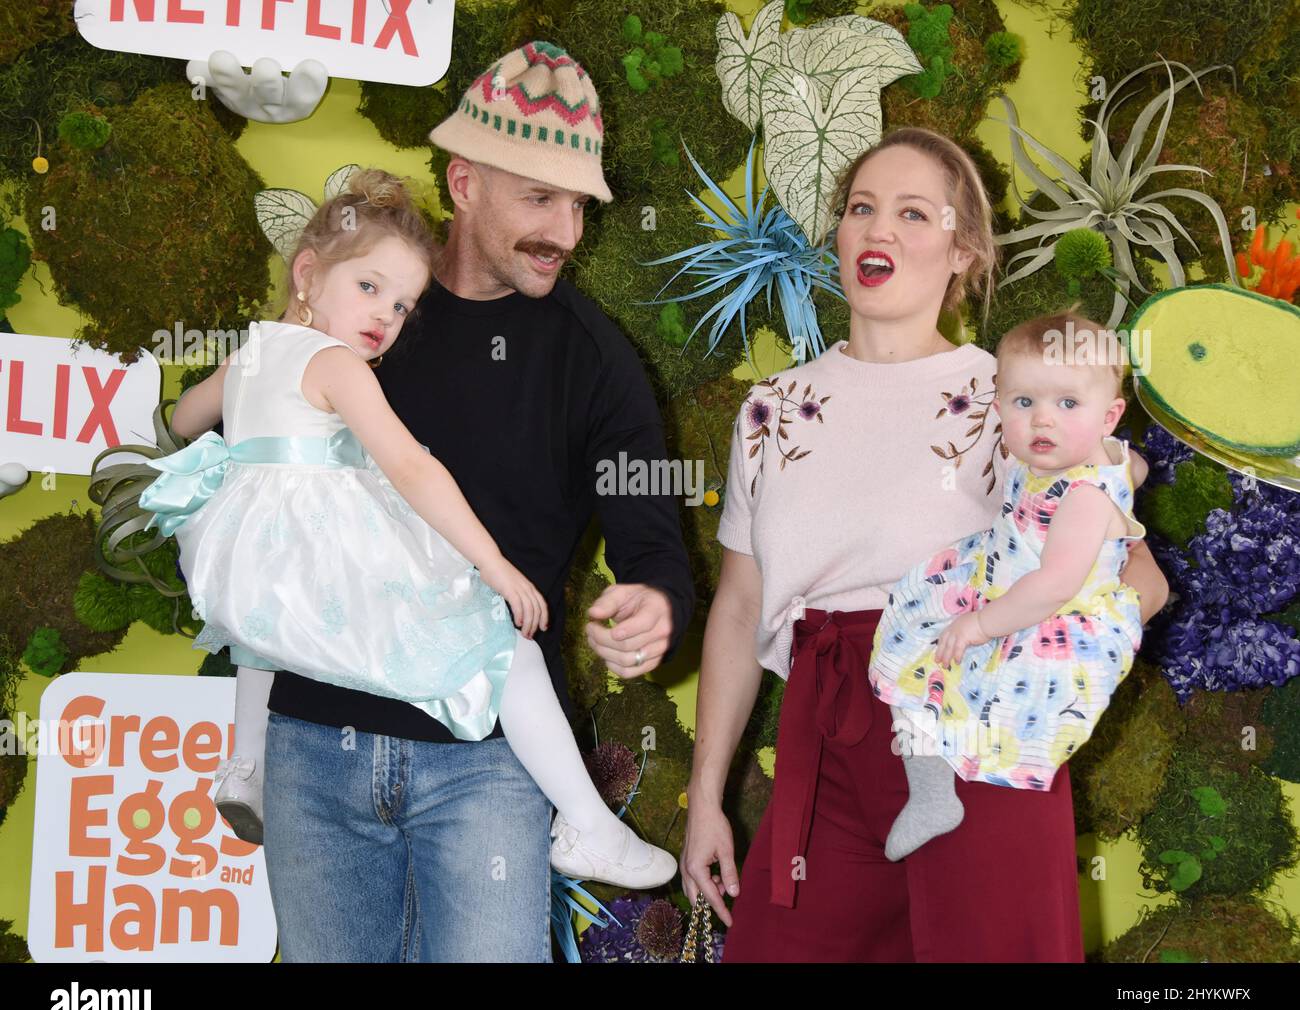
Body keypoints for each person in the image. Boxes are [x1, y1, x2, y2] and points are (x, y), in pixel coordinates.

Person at [682, 127, 1169, 963]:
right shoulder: (770, 407)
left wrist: (1041, 658)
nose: (879, 230)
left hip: (976, 724)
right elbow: (737, 609)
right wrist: (703, 798)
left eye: (913, 212)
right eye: (861, 208)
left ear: (963, 250)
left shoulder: (1012, 396)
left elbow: (1138, 579)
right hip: (828, 725)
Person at [258, 42, 694, 962]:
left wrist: (653, 605)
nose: (565, 232)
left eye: (578, 205)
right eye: (540, 198)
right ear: (463, 183)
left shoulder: (596, 360)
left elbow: (652, 545)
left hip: (492, 758)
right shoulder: (359, 315)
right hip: (312, 742)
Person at [141, 166, 677, 893]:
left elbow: (179, 422)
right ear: (308, 272)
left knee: (259, 627)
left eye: (401, 306)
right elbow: (412, 470)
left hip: (245, 558)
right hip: (322, 636)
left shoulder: (259, 350)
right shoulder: (341, 366)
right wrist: (495, 564)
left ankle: (245, 761)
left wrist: (253, 448)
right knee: (503, 644)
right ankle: (585, 820)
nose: (384, 320)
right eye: (369, 290)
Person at [868, 309, 1149, 861]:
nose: (1043, 421)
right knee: (911, 640)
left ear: (1109, 415)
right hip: (999, 576)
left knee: (959, 686)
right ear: (1000, 406)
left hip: (1046, 617)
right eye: (1025, 403)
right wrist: (1128, 469)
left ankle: (939, 798)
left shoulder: (1084, 497)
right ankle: (931, 792)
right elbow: (1131, 466)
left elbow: (1053, 585)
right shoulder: (1080, 453)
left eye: (1068, 404)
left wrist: (977, 625)